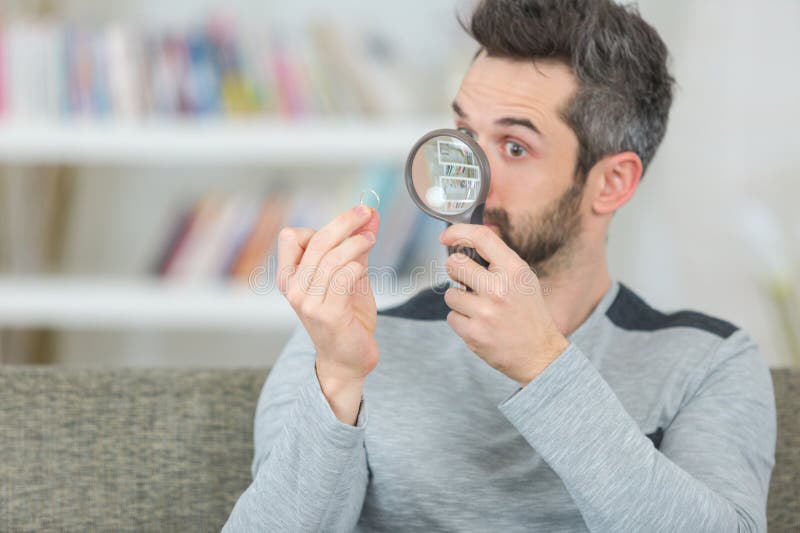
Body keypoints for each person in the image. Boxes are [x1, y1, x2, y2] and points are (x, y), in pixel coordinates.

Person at [223, 0, 776, 531]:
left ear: (611, 183)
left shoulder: (709, 361)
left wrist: (543, 365)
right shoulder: (345, 341)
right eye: (464, 135)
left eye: (514, 146)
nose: (466, 176)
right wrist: (340, 380)